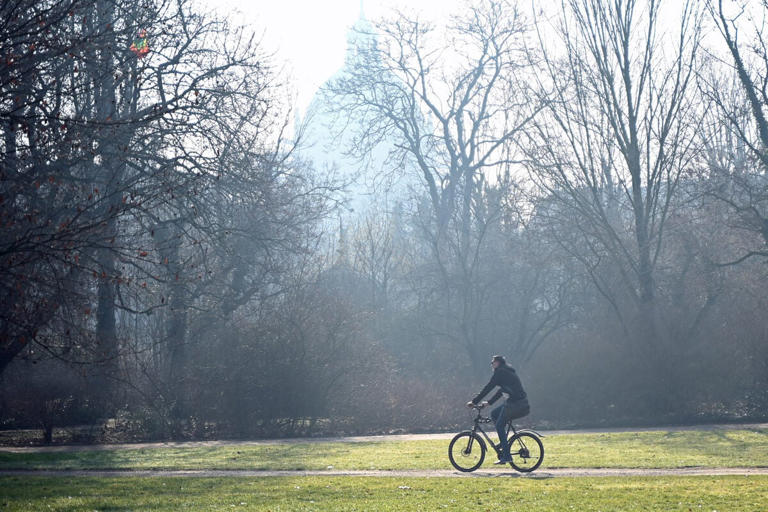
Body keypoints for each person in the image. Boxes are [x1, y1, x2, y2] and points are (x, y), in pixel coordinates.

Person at [467, 355, 530, 464]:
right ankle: (503, 442)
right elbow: (501, 390)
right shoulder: (505, 372)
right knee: (494, 414)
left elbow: (489, 387)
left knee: (500, 425)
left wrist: (474, 401)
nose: (491, 364)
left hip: (516, 404)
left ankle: (507, 456)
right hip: (517, 403)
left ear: (498, 363)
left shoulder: (500, 372)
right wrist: (489, 403)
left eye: (493, 362)